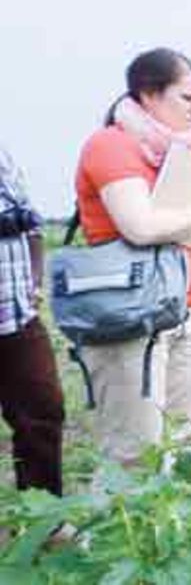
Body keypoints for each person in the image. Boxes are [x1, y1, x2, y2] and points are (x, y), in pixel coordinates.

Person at [73, 48, 191, 465]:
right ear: (149, 94)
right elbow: (140, 226)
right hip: (135, 316)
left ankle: (173, 533)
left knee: (182, 445)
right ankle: (115, 532)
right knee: (134, 454)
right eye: (188, 98)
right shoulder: (110, 145)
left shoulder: (185, 154)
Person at [0, 147, 64, 495]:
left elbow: (32, 225)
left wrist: (34, 285)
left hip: (16, 313)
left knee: (42, 411)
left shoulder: (4, 157)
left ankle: (42, 520)